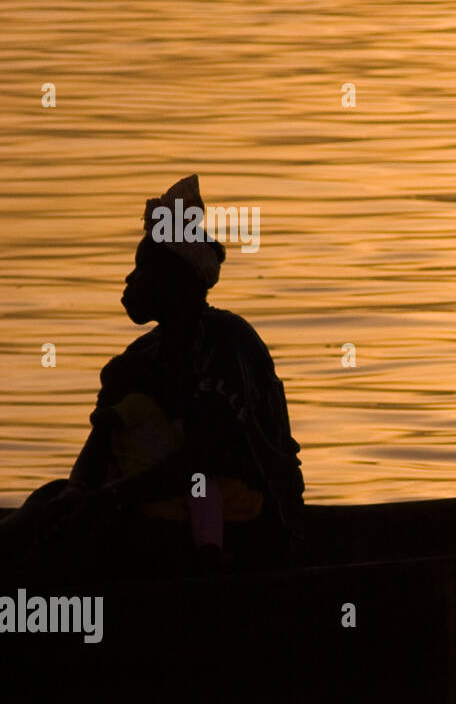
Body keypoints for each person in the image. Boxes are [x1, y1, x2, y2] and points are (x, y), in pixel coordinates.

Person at [1, 175, 303, 576]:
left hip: (238, 524)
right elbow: (101, 440)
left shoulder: (229, 343)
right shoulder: (137, 358)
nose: (130, 280)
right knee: (48, 501)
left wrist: (111, 499)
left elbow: (203, 457)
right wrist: (77, 492)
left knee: (81, 539)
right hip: (147, 501)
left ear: (176, 284)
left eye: (142, 269)